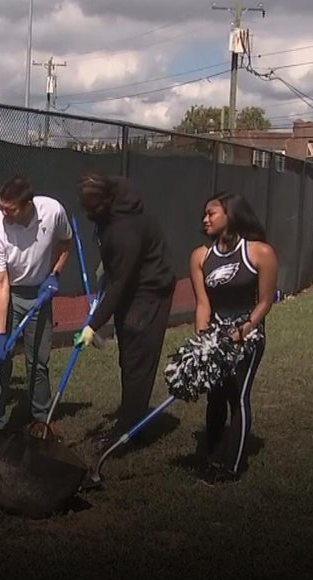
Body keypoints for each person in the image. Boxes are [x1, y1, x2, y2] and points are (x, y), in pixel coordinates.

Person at [73, 173, 176, 449]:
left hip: (149, 294)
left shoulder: (125, 230)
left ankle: (129, 432)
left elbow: (119, 284)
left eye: (90, 208)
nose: (87, 213)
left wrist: (92, 324)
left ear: (105, 202)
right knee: (129, 357)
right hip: (133, 288)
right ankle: (130, 415)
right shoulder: (112, 220)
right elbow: (116, 275)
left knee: (137, 359)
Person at [190, 192, 278, 485]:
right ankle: (212, 455)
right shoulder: (200, 257)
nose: (205, 218)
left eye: (212, 213)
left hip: (247, 337)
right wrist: (202, 341)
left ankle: (233, 466)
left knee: (237, 396)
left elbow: (265, 302)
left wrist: (244, 331)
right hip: (215, 338)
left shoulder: (260, 253)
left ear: (231, 215)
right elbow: (202, 304)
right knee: (214, 398)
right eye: (204, 214)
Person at [0, 174, 71, 431]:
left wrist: (55, 274)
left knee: (38, 360)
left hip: (40, 293)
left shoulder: (53, 211)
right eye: (1, 208)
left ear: (28, 204)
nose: (3, 214)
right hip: (9, 292)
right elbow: (0, 284)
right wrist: (0, 334)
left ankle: (41, 420)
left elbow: (65, 242)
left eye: (9, 210)